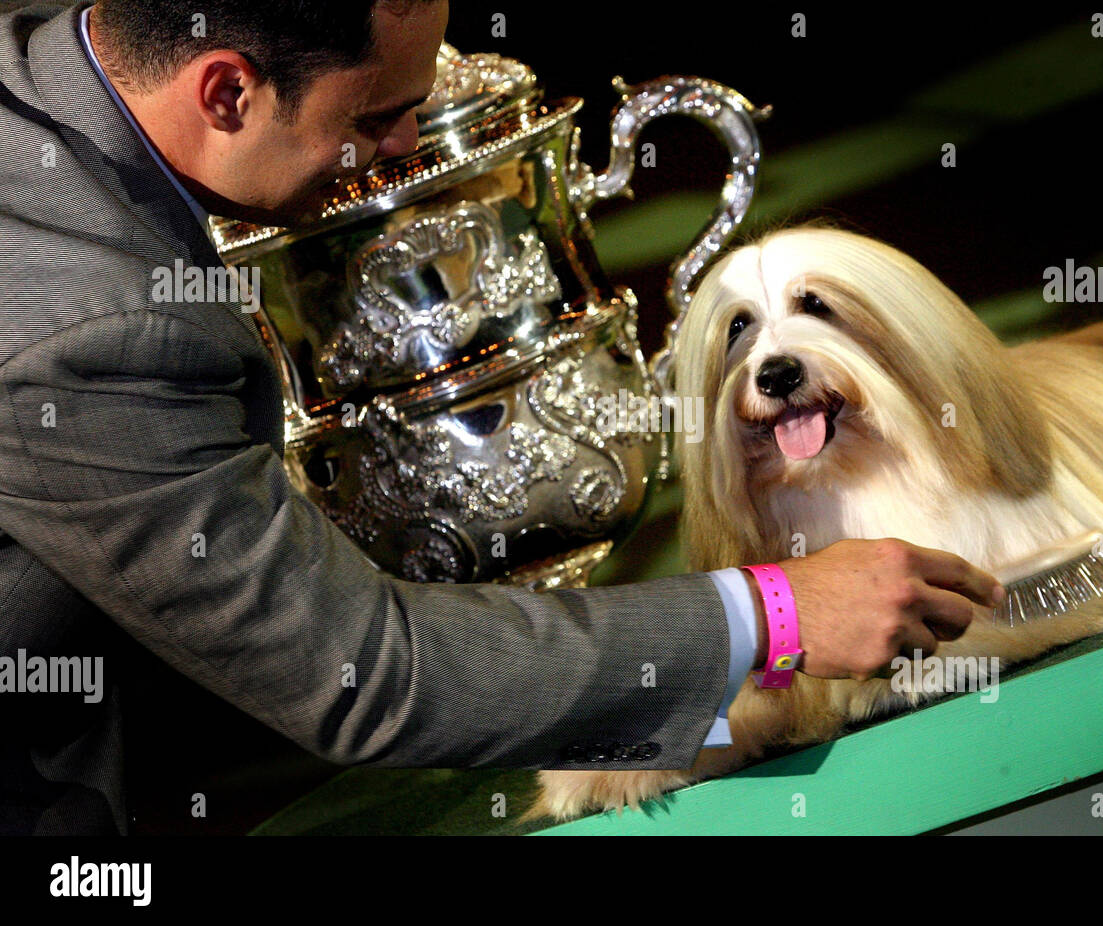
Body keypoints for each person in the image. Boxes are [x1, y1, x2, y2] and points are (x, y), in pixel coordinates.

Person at [0, 0, 1004, 835]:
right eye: (373, 118)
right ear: (226, 91)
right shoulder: (97, 335)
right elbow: (367, 671)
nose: (397, 151)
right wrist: (775, 613)